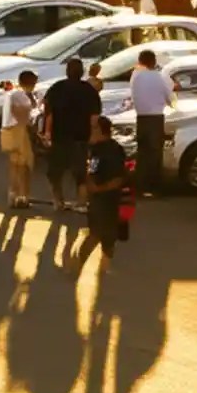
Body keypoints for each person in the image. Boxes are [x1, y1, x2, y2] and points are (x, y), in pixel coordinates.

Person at [43, 57, 102, 211]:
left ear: (67, 71)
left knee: (55, 171)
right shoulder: (89, 91)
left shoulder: (57, 88)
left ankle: (58, 201)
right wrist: (93, 135)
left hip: (59, 136)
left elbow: (49, 114)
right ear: (82, 72)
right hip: (81, 136)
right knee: (81, 172)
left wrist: (47, 133)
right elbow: (94, 118)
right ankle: (81, 202)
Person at [70, 116, 127, 275]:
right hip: (98, 201)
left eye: (93, 128)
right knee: (96, 234)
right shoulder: (94, 148)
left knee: (107, 237)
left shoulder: (113, 151)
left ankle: (103, 267)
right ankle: (79, 265)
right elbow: (90, 170)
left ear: (101, 131)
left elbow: (119, 177)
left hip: (109, 200)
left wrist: (99, 188)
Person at [130, 50, 174, 195]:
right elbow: (170, 98)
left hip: (140, 117)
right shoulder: (159, 77)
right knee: (155, 154)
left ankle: (140, 186)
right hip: (155, 118)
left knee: (142, 153)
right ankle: (153, 187)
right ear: (153, 62)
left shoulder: (135, 76)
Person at [0, 69, 39, 209]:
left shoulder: (13, 94)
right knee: (25, 165)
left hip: (9, 131)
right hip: (21, 132)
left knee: (14, 164)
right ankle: (23, 196)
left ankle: (13, 193)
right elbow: (24, 115)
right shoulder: (23, 96)